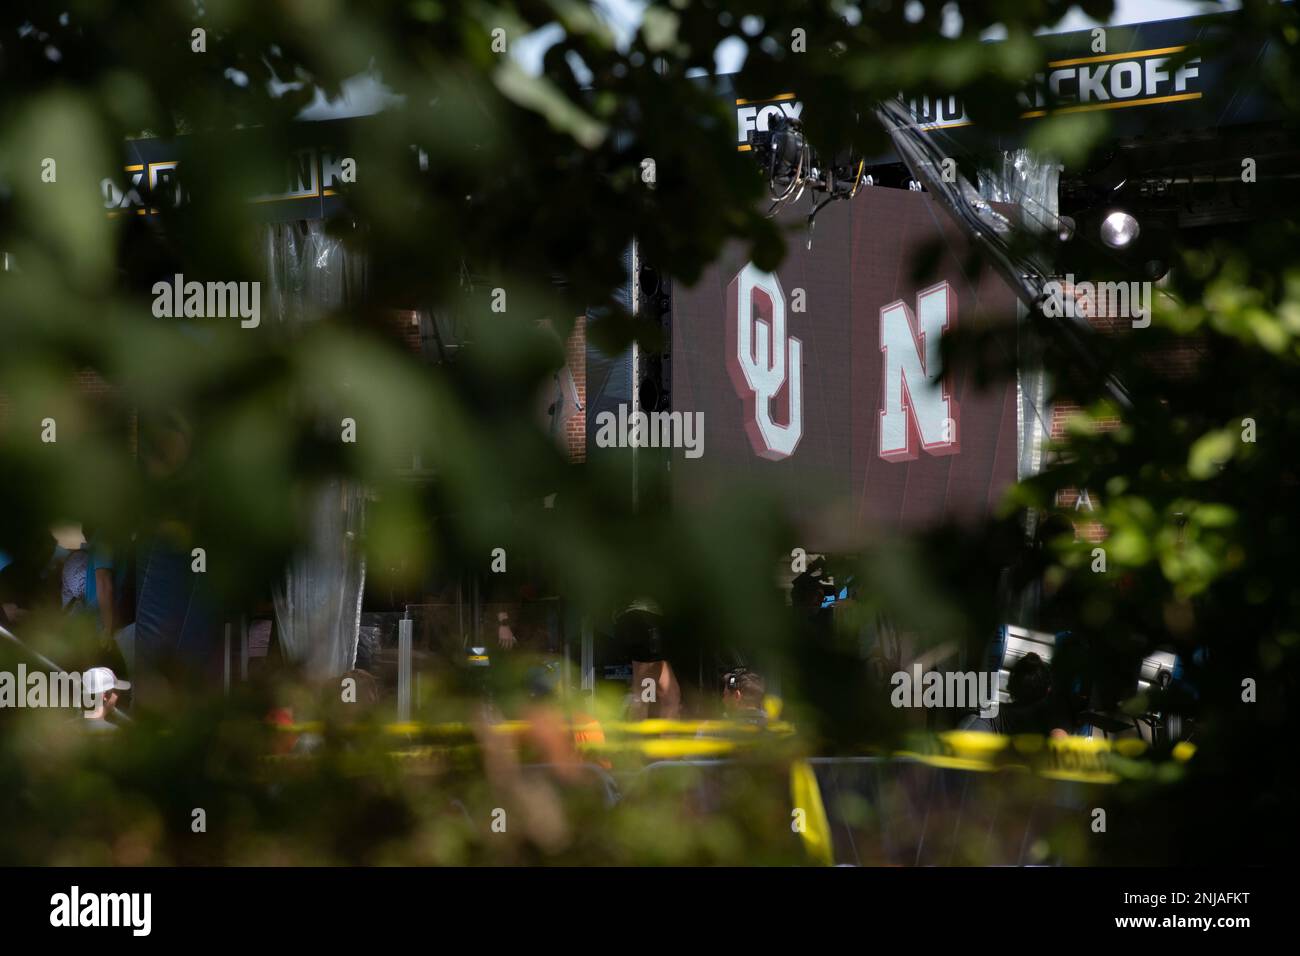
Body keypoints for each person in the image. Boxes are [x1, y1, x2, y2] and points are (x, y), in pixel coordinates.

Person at [82, 666, 130, 732]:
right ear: (105, 695)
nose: (117, 697)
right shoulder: (114, 732)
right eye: (116, 692)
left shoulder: (66, 728)